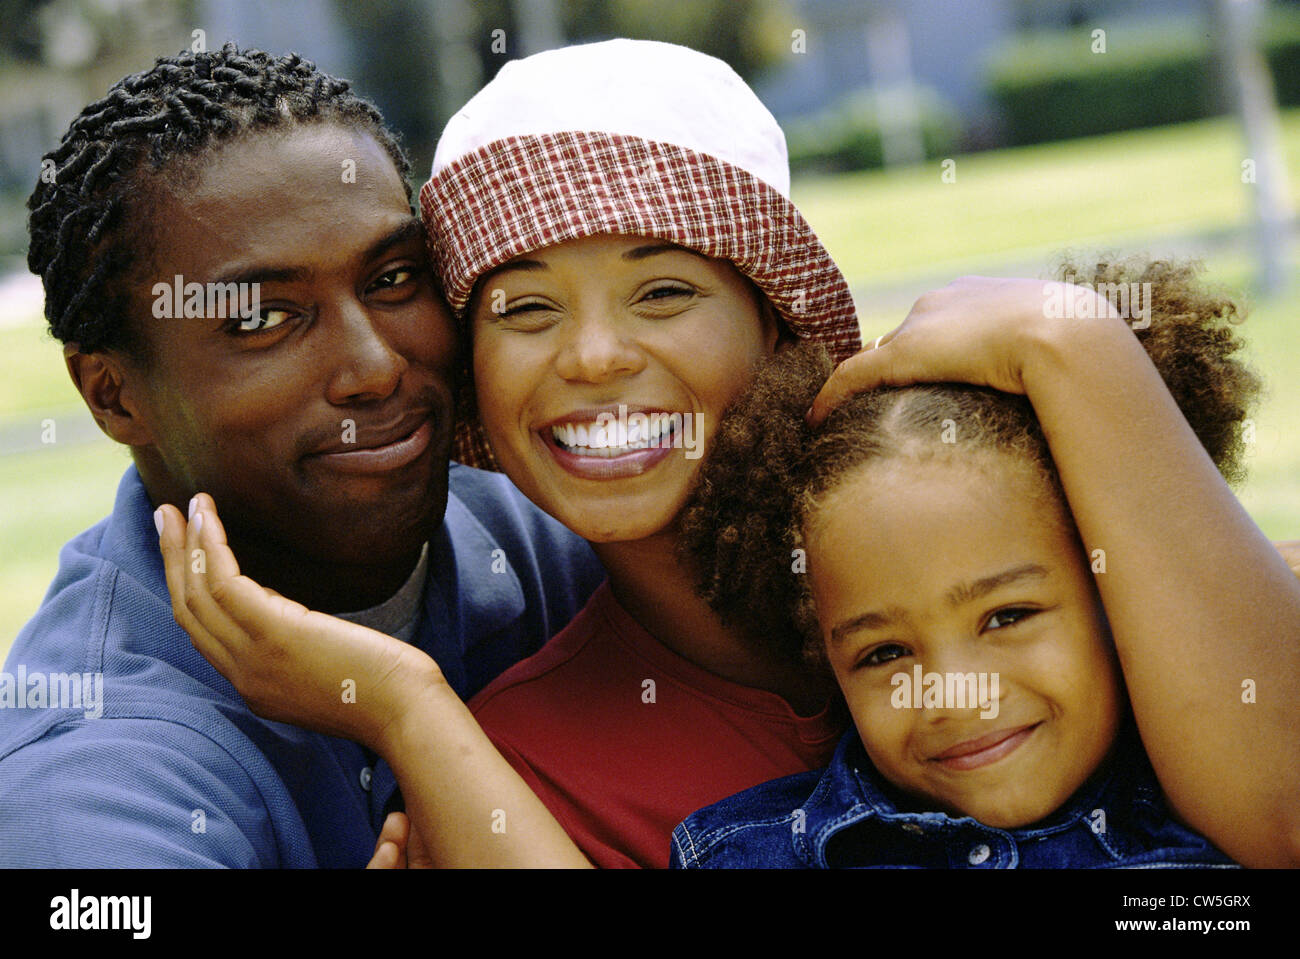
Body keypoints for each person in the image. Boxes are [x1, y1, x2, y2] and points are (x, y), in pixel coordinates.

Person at [165, 40, 1300, 870]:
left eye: (663, 290)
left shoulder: (1047, 530)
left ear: (777, 324)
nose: (595, 356)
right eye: (523, 308)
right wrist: (409, 708)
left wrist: (1075, 345)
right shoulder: (511, 767)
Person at [0, 43, 603, 867]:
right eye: (262, 319)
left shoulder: (558, 525)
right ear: (112, 394)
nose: (376, 366)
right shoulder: (88, 784)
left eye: (394, 278)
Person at [672, 258, 1267, 868]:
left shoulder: (1233, 799)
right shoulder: (747, 855)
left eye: (1007, 616)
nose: (956, 697)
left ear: (1120, 591)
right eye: (884, 654)